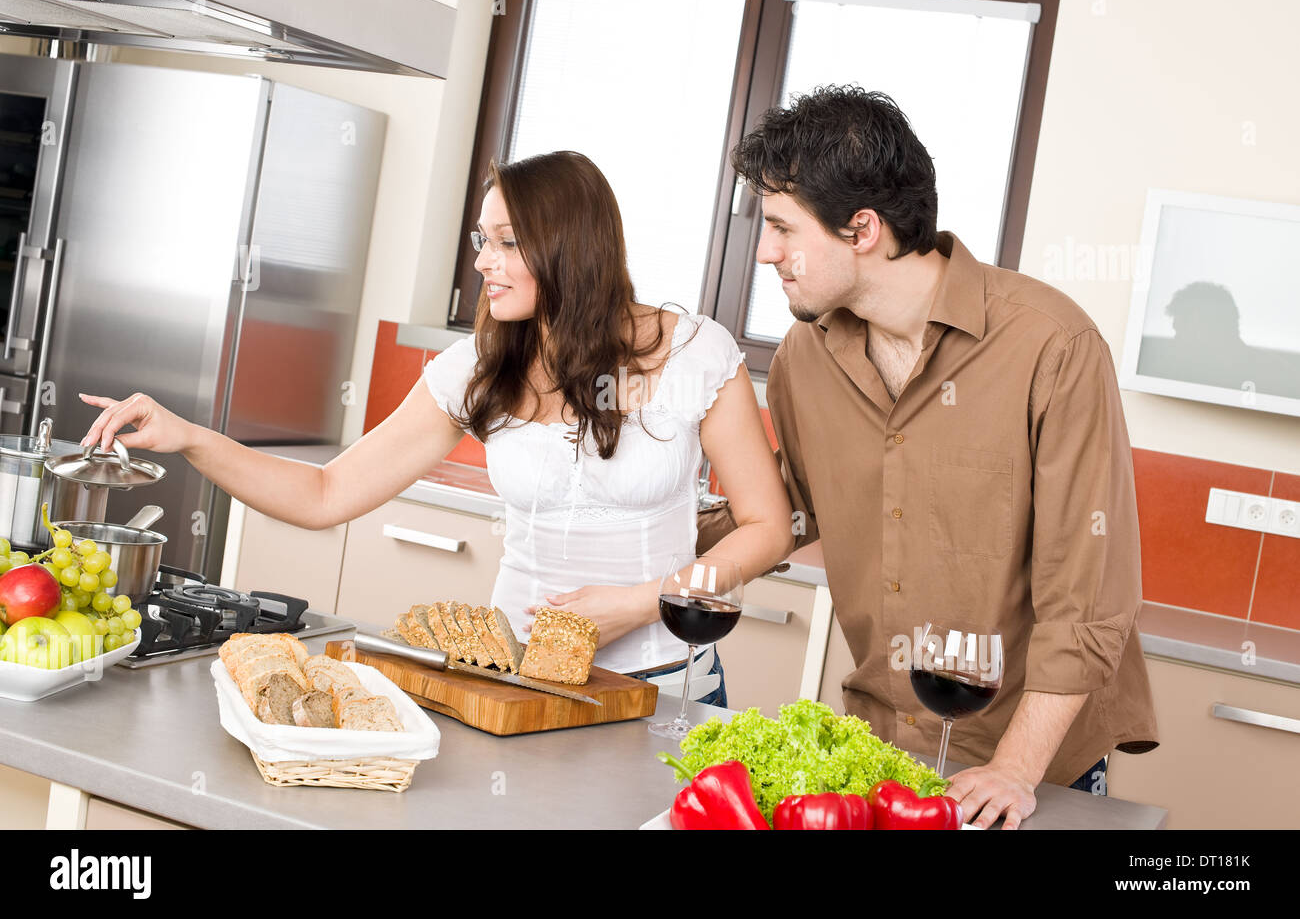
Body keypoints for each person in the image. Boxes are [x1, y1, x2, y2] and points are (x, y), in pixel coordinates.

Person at [79, 150, 795, 705]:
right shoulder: (478, 366)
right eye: (482, 240)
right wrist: (193, 438)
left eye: (507, 243)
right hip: (514, 676)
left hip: (663, 676)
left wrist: (639, 605)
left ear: (572, 248)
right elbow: (326, 493)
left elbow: (767, 525)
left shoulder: (696, 354)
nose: (484, 261)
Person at [703, 85, 1158, 826]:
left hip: (1028, 765)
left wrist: (1012, 771)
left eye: (783, 228)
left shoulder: (1051, 346)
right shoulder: (804, 357)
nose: (765, 252)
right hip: (884, 744)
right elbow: (792, 506)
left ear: (863, 230)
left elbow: (1091, 598)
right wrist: (647, 511)